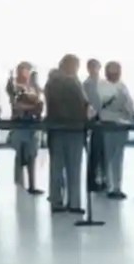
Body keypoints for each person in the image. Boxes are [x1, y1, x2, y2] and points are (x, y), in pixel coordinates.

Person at [45, 55, 89, 214]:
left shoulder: (51, 83)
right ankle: (74, 203)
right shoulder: (73, 82)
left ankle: (56, 201)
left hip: (56, 129)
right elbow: (83, 104)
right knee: (74, 168)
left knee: (56, 167)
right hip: (74, 128)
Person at [97, 61, 134, 200]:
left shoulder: (118, 86)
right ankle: (111, 186)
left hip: (118, 124)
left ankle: (115, 186)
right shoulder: (109, 87)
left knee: (116, 157)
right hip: (111, 124)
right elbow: (126, 105)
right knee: (111, 157)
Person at [7, 61, 45, 195]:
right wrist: (31, 107)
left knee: (32, 154)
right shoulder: (15, 86)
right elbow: (16, 104)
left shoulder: (34, 87)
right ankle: (19, 185)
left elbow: (40, 103)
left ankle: (32, 184)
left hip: (33, 124)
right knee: (20, 155)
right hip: (20, 123)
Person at [83, 58, 106, 193]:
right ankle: (92, 180)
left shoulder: (102, 83)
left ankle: (102, 179)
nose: (94, 70)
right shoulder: (87, 84)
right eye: (92, 67)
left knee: (102, 152)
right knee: (94, 152)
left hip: (102, 118)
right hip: (92, 118)